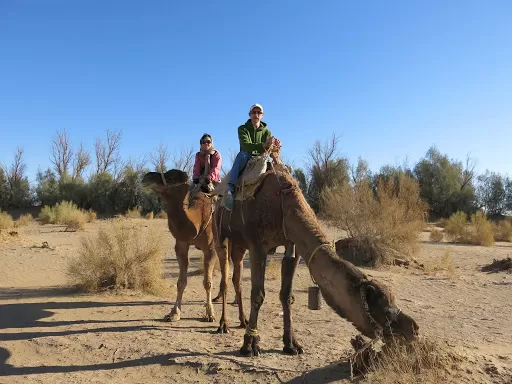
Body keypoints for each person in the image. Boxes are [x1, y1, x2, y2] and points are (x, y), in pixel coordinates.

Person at [223, 104, 280, 210]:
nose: (256, 115)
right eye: (254, 112)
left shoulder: (267, 132)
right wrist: (264, 144)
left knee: (278, 171)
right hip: (247, 156)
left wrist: (275, 146)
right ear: (250, 115)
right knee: (242, 155)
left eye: (259, 113)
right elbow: (246, 146)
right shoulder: (242, 129)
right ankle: (231, 189)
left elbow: (268, 150)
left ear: (262, 115)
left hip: (262, 158)